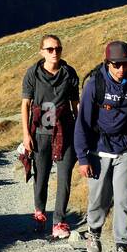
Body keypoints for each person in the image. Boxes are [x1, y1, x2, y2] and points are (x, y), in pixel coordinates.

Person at [73, 40, 127, 252]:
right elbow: (82, 124)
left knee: (123, 199)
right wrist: (82, 158)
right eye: (116, 64)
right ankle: (94, 231)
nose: (121, 69)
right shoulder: (95, 85)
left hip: (126, 149)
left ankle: (122, 247)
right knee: (99, 197)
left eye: (125, 64)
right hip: (98, 150)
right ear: (107, 62)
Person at [21, 34, 80, 238]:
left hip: (66, 132)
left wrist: (81, 131)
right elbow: (26, 105)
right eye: (50, 49)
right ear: (42, 52)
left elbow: (75, 104)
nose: (54, 53)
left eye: (58, 49)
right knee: (41, 176)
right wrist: (26, 134)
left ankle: (59, 222)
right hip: (40, 133)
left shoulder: (69, 73)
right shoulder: (32, 74)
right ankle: (39, 213)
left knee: (64, 178)